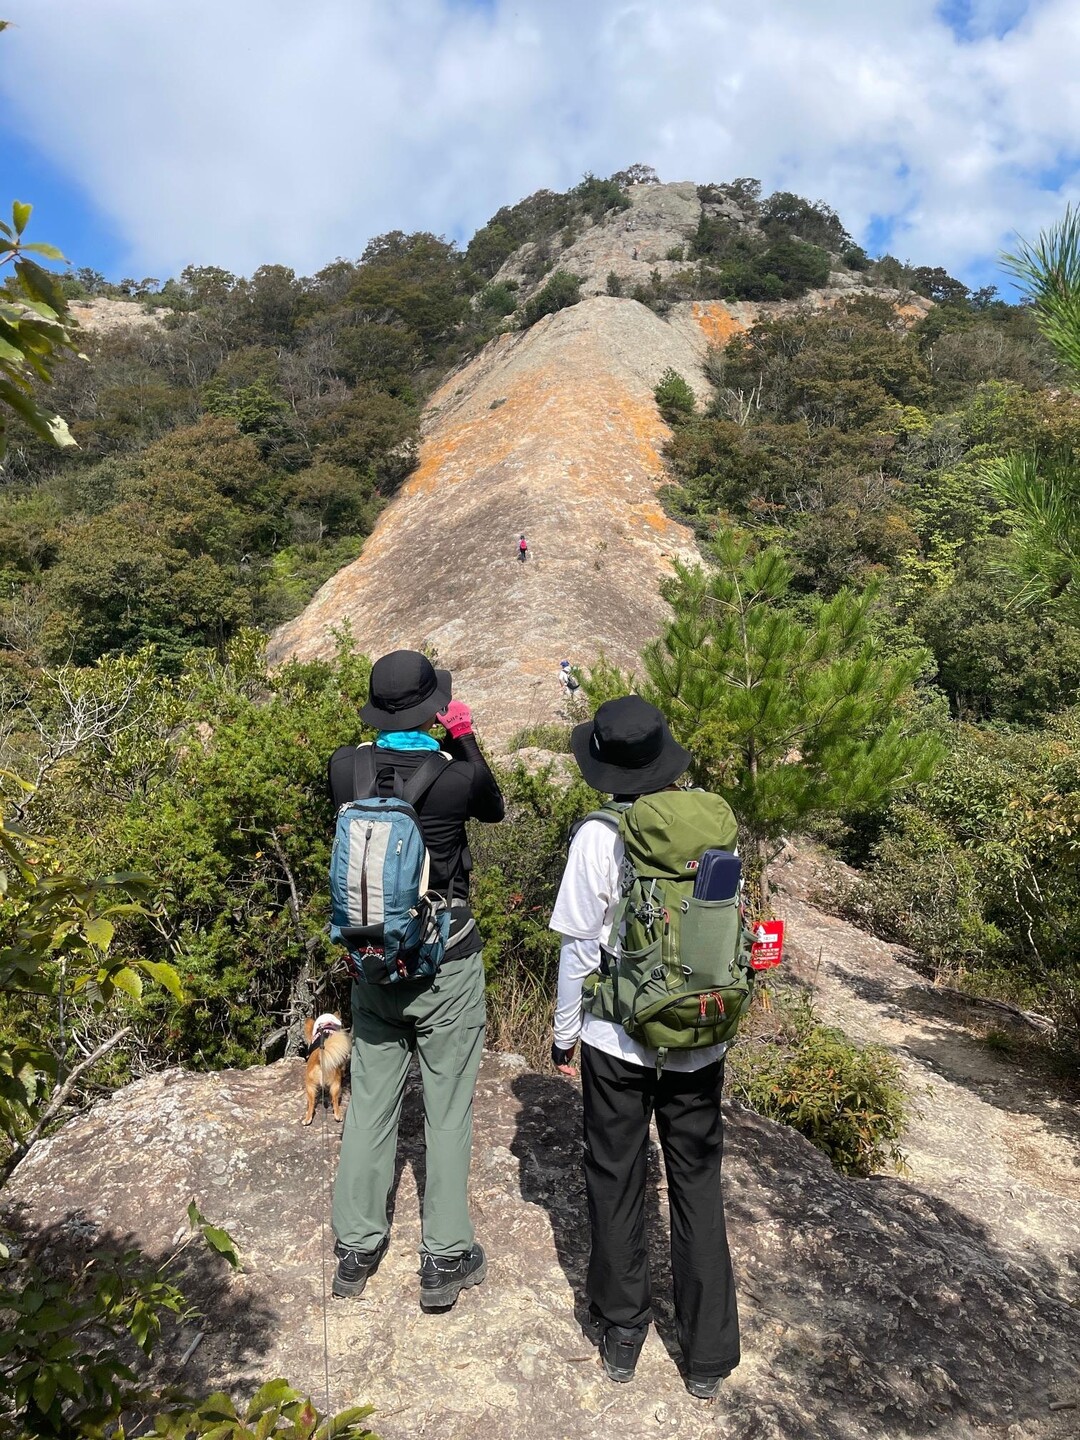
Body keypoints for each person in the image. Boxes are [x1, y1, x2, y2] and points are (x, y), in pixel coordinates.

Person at [549, 696, 740, 1398]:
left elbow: (578, 948)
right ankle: (709, 1354)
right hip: (699, 1036)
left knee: (616, 1174)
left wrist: (564, 1036)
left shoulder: (599, 835)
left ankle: (623, 1330)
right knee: (696, 1181)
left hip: (619, 1039)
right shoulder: (714, 824)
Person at [327, 650, 504, 1310]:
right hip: (446, 962)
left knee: (372, 1099)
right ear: (432, 707)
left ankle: (356, 1249)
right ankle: (444, 1258)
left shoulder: (345, 768)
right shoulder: (455, 779)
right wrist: (462, 734)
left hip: (374, 963)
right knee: (446, 1106)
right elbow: (493, 803)